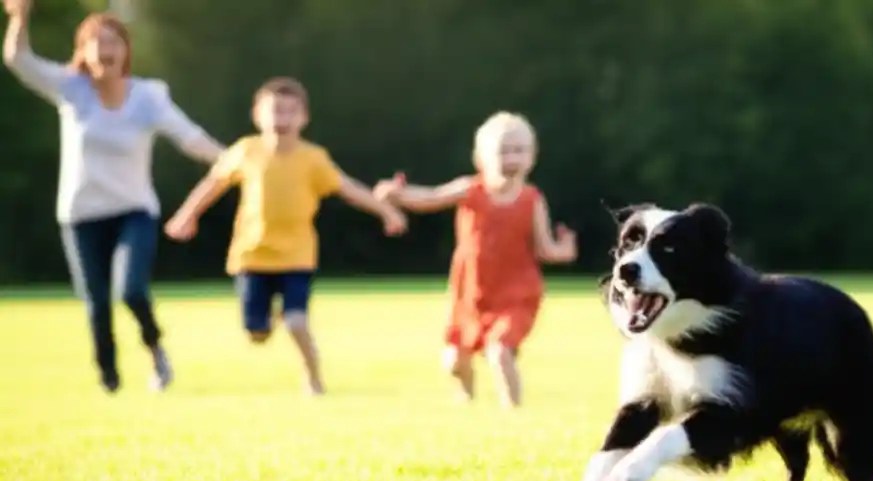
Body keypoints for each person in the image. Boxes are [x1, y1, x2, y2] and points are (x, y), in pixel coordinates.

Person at [3, 1, 224, 393]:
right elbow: (19, 60)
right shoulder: (70, 89)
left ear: (125, 50)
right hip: (81, 214)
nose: (105, 50)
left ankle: (155, 351)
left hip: (133, 210)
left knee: (132, 290)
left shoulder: (149, 96)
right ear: (83, 53)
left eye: (113, 42)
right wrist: (20, 17)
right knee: (96, 304)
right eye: (95, 43)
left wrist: (234, 161)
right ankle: (110, 379)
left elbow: (189, 136)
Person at [163, 77, 407, 396]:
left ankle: (313, 376)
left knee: (295, 321)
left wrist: (386, 211)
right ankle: (268, 320)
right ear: (257, 115)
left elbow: (347, 187)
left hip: (297, 256)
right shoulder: (245, 151)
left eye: (291, 112)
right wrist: (186, 215)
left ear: (304, 118)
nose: (282, 118)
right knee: (257, 333)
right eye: (275, 110)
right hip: (252, 256)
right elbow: (213, 184)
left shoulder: (312, 158)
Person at [373, 111, 578, 408]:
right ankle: (466, 398)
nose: (511, 157)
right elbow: (430, 197)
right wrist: (398, 194)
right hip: (471, 292)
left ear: (531, 157)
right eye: (503, 150)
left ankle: (513, 412)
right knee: (455, 360)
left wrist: (566, 249)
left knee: (500, 350)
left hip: (516, 292)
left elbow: (544, 247)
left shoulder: (532, 199)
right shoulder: (470, 189)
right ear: (482, 158)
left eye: (518, 150)